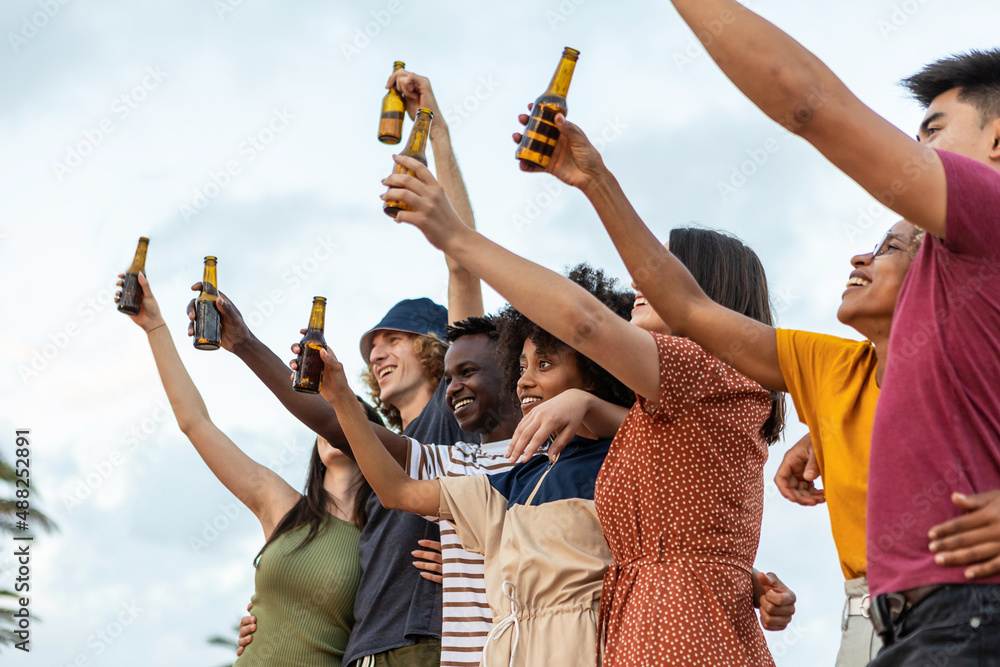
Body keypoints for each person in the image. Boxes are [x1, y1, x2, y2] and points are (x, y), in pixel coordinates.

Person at [646, 3, 1000, 659]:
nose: (912, 150)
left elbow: (808, 102)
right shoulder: (948, 280)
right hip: (916, 616)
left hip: (968, 612)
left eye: (931, 131)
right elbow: (689, 309)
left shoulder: (987, 207)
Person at [380, 153, 794, 664]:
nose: (637, 282)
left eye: (660, 269)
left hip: (679, 639)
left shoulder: (703, 371)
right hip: (643, 633)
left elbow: (585, 324)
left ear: (706, 291)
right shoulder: (673, 406)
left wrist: (456, 236)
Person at [220, 67, 492, 667]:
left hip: (425, 644)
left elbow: (465, 263)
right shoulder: (379, 460)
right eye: (373, 343)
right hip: (362, 653)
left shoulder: (453, 419)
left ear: (437, 351)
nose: (377, 351)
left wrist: (436, 129)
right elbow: (329, 422)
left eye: (395, 338)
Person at [314, 265, 637, 667]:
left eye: (545, 364)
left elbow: (670, 427)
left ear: (594, 367)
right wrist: (342, 396)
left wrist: (589, 405)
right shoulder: (517, 479)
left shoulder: (632, 456)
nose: (524, 382)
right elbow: (398, 492)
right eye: (521, 367)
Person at [117, 272, 372, 666]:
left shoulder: (384, 535)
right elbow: (195, 423)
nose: (331, 424)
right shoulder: (281, 505)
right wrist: (155, 326)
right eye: (326, 418)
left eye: (344, 417)